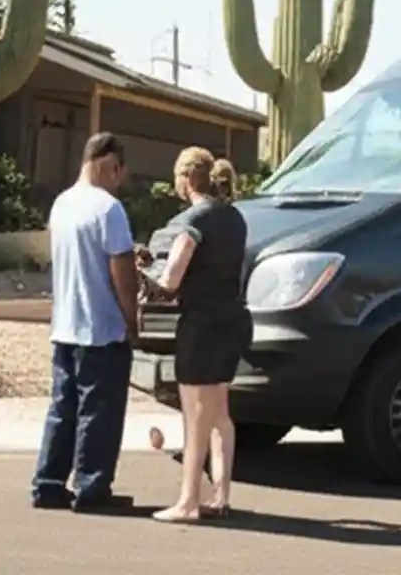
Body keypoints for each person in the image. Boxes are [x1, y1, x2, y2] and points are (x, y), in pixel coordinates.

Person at [30, 132, 139, 512]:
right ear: (112, 165)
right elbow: (122, 272)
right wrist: (132, 321)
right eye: (119, 173)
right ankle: (92, 488)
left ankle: (48, 483)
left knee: (63, 408)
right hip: (102, 328)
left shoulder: (62, 205)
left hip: (65, 325)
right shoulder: (108, 209)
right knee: (100, 412)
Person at [146, 148, 251, 523]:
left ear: (187, 180)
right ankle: (220, 496)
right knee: (220, 412)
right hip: (232, 321)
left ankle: (188, 501)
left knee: (195, 415)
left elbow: (170, 279)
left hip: (201, 325)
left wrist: (145, 273)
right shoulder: (235, 218)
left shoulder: (193, 220)